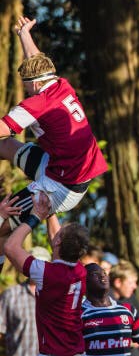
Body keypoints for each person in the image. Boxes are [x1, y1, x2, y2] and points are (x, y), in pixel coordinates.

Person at [0, 15, 107, 230]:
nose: (25, 89)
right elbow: (36, 60)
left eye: (26, 85)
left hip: (60, 186)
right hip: (59, 167)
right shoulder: (60, 85)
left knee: (2, 230)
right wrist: (24, 34)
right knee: (4, 146)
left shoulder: (37, 104)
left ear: (36, 84)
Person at [3, 194, 90, 356]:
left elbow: (10, 247)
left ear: (58, 243)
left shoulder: (47, 273)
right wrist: (50, 210)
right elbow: (58, 239)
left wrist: (35, 216)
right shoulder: (80, 270)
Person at [0, 246, 50, 356]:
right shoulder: (11, 295)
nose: (39, 268)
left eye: (43, 264)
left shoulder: (57, 297)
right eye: (35, 264)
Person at [110, 260, 139, 356]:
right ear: (118, 282)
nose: (135, 287)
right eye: (131, 282)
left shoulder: (131, 299)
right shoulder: (103, 302)